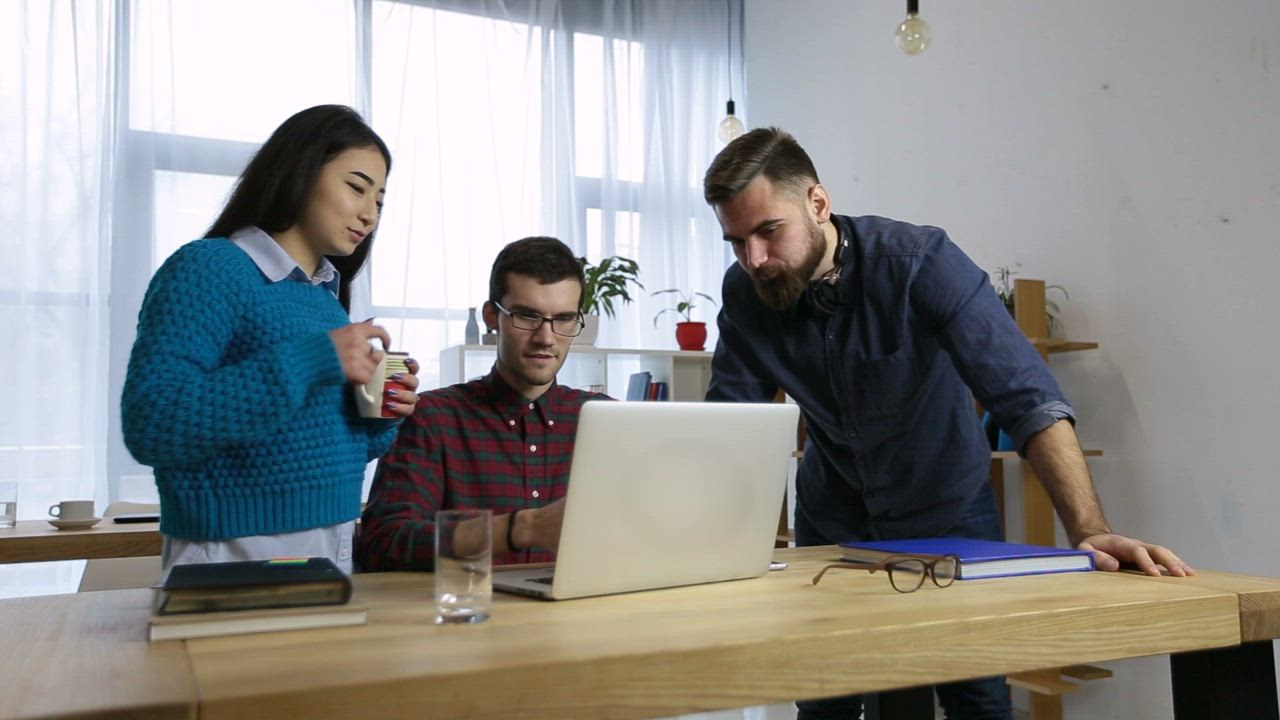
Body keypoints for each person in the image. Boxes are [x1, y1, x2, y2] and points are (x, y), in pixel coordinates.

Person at [702, 127, 1193, 720]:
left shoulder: (920, 263)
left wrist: (1088, 527)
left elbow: (1026, 398)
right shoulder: (747, 292)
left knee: (977, 698)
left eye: (767, 231)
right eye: (737, 242)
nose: (754, 259)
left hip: (949, 515)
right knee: (827, 699)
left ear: (818, 203)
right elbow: (728, 426)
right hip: (833, 521)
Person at [121, 105, 419, 574]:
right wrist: (315, 359)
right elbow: (153, 423)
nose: (369, 214)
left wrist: (382, 413)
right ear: (300, 174)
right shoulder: (210, 267)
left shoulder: (325, 300)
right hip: (236, 547)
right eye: (357, 187)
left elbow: (324, 451)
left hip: (336, 536)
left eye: (379, 201)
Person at [357, 236, 609, 571]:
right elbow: (384, 541)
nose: (546, 338)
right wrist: (520, 529)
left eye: (563, 319)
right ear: (492, 316)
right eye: (527, 316)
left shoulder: (604, 420)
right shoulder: (433, 419)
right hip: (471, 616)